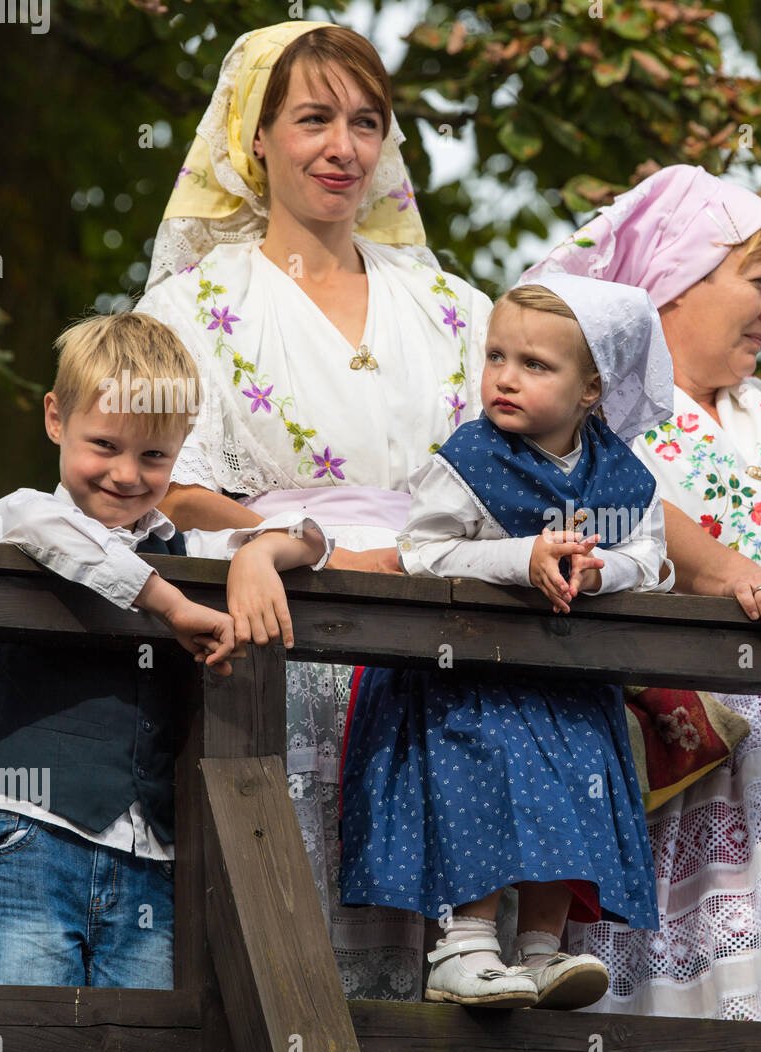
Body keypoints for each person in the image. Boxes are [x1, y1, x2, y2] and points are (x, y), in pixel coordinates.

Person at [133, 21, 492, 999]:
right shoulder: (191, 306)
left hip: (435, 641)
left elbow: (505, 472)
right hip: (280, 647)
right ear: (255, 134)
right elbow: (164, 485)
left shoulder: (454, 309)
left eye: (367, 122)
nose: (344, 147)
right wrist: (303, 542)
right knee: (285, 962)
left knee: (439, 977)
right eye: (314, 118)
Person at [521, 166, 761, 1026]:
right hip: (675, 766)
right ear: (675, 280)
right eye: (758, 283)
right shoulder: (601, 420)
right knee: (680, 1003)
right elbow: (611, 530)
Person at [0, 312, 331, 988]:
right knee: (28, 1038)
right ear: (55, 418)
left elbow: (311, 532)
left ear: (181, 446)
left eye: (154, 456)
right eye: (103, 444)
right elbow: (58, 537)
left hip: (153, 851)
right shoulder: (23, 518)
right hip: (32, 830)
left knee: (148, 1036)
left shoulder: (182, 548)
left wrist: (257, 553)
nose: (126, 475)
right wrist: (170, 603)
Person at [340, 275, 672, 1007]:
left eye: (535, 365)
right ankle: (464, 946)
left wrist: (596, 570)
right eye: (496, 356)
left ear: (591, 391)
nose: (506, 378)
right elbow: (423, 550)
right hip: (472, 681)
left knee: (572, 789)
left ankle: (543, 951)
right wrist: (519, 559)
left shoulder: (623, 478)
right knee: (488, 775)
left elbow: (650, 561)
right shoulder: (469, 456)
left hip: (567, 684)